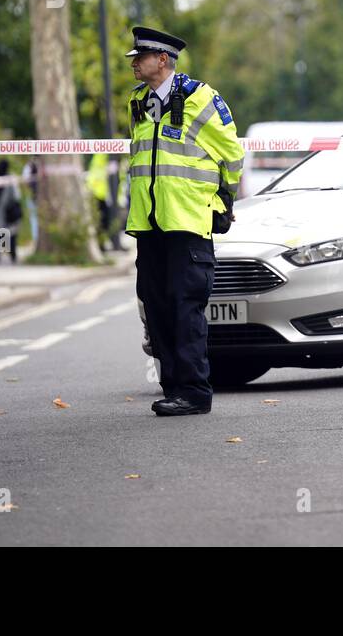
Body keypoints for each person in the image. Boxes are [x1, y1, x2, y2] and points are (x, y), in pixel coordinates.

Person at [125, 25, 244, 418]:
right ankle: (173, 388)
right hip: (149, 223)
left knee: (185, 306)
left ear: (163, 59)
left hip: (188, 221)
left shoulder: (201, 98)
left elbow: (232, 154)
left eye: (140, 57)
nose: (134, 64)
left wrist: (222, 198)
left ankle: (194, 391)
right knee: (157, 308)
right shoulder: (138, 102)